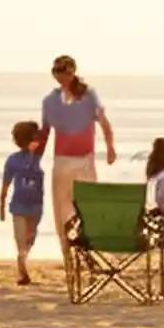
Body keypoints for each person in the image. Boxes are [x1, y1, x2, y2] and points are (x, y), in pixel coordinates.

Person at [32, 55, 117, 267]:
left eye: (67, 70)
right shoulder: (50, 101)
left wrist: (110, 147)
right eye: (60, 70)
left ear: (73, 71)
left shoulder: (88, 96)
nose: (64, 74)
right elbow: (45, 133)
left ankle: (89, 254)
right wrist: (34, 160)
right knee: (62, 211)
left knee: (86, 208)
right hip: (62, 161)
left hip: (85, 161)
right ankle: (68, 255)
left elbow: (104, 123)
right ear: (55, 74)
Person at [0, 121, 45, 285]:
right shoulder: (13, 160)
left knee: (30, 237)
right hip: (18, 206)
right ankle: (22, 265)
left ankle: (23, 259)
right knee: (21, 239)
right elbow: (6, 182)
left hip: (35, 206)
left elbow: (45, 136)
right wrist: (1, 206)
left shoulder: (37, 156)